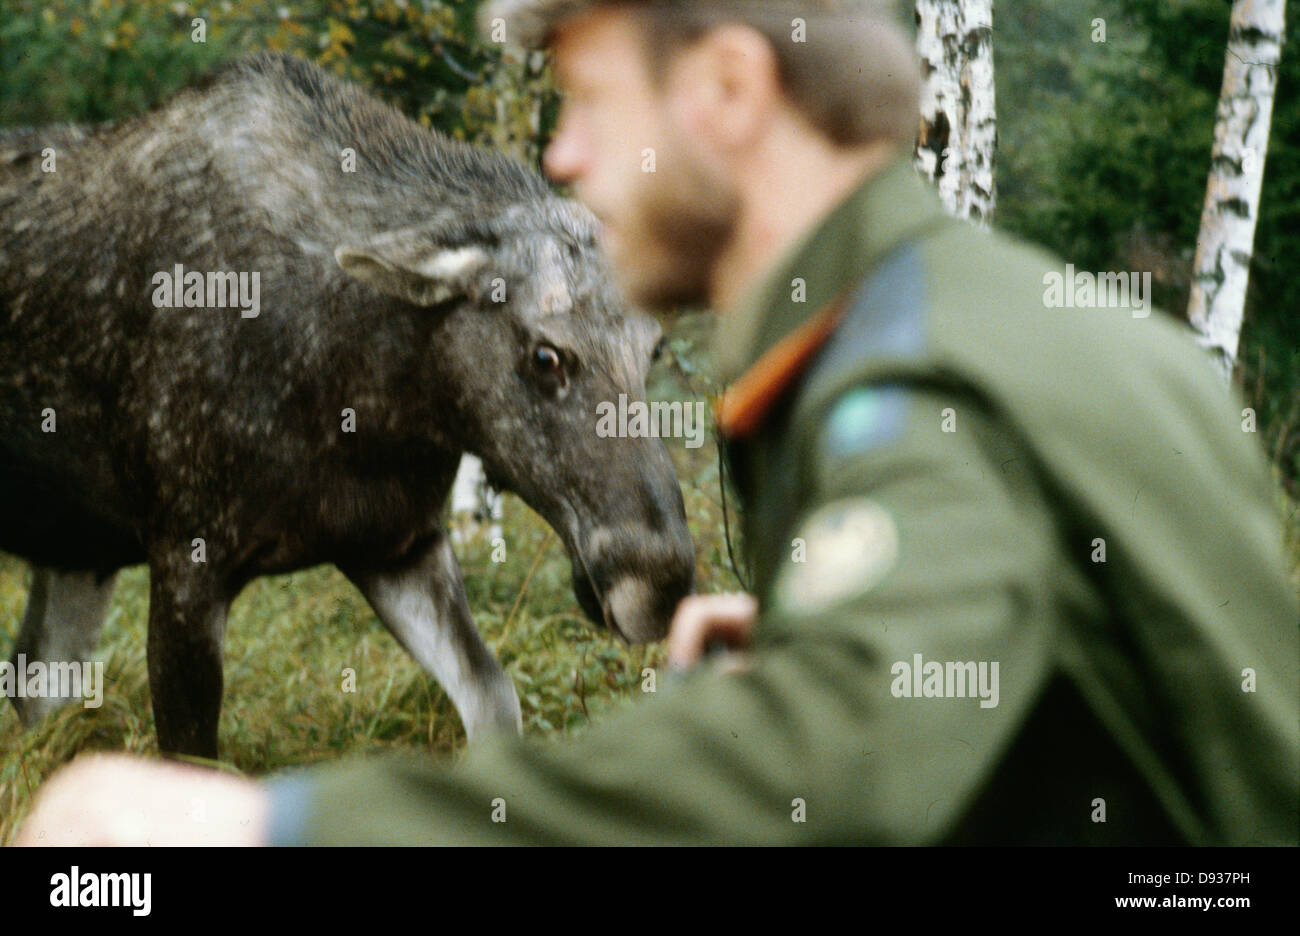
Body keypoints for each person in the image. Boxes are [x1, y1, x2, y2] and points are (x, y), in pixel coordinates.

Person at [18, 0, 1298, 846]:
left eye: (586, 106)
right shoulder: (998, 319)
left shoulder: (915, 383)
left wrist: (265, 830)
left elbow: (840, 772)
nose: (561, 160)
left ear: (728, 90)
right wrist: (833, 644)